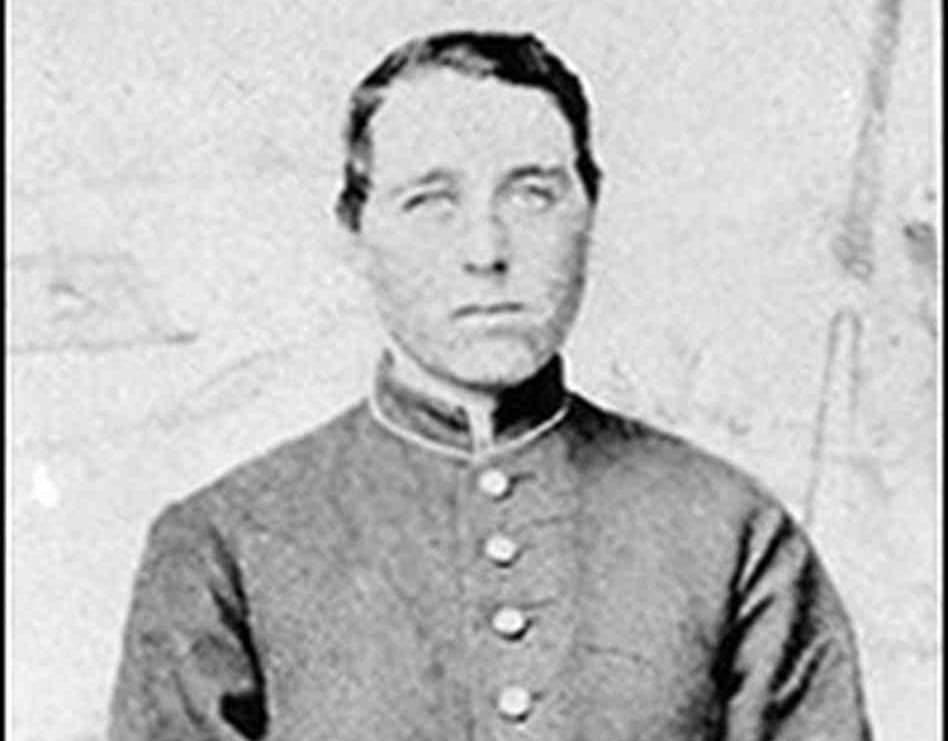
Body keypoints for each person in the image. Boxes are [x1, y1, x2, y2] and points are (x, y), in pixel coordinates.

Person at [109, 30, 873, 740]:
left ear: (590, 209)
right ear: (354, 231)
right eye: (431, 201)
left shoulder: (730, 530)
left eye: (531, 193)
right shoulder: (224, 544)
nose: (486, 250)